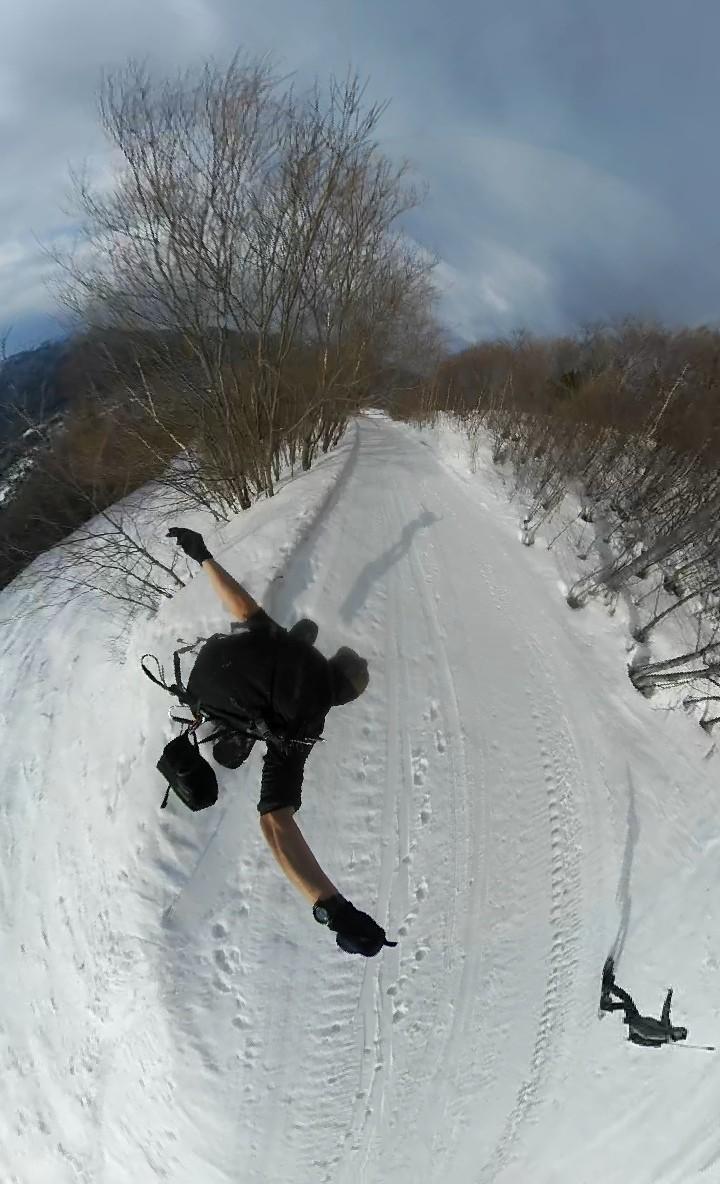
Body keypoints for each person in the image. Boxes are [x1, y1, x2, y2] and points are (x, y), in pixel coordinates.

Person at [167, 526, 396, 960]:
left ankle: (248, 707)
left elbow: (241, 605)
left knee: (278, 644)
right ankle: (234, 729)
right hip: (206, 700)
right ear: (341, 699)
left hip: (207, 663)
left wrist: (203, 556)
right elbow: (275, 822)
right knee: (259, 735)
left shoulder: (298, 648)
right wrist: (332, 907)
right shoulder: (308, 722)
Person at [600, 960, 688, 1047]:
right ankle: (607, 1003)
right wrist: (669, 996)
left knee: (627, 1000)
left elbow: (646, 1034)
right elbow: (665, 1012)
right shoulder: (667, 1028)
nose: (678, 1028)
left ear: (677, 1036)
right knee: (626, 1003)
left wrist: (633, 1023)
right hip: (637, 1021)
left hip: (636, 1027)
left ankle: (607, 986)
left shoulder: (663, 1036)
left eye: (680, 1031)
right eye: (680, 1028)